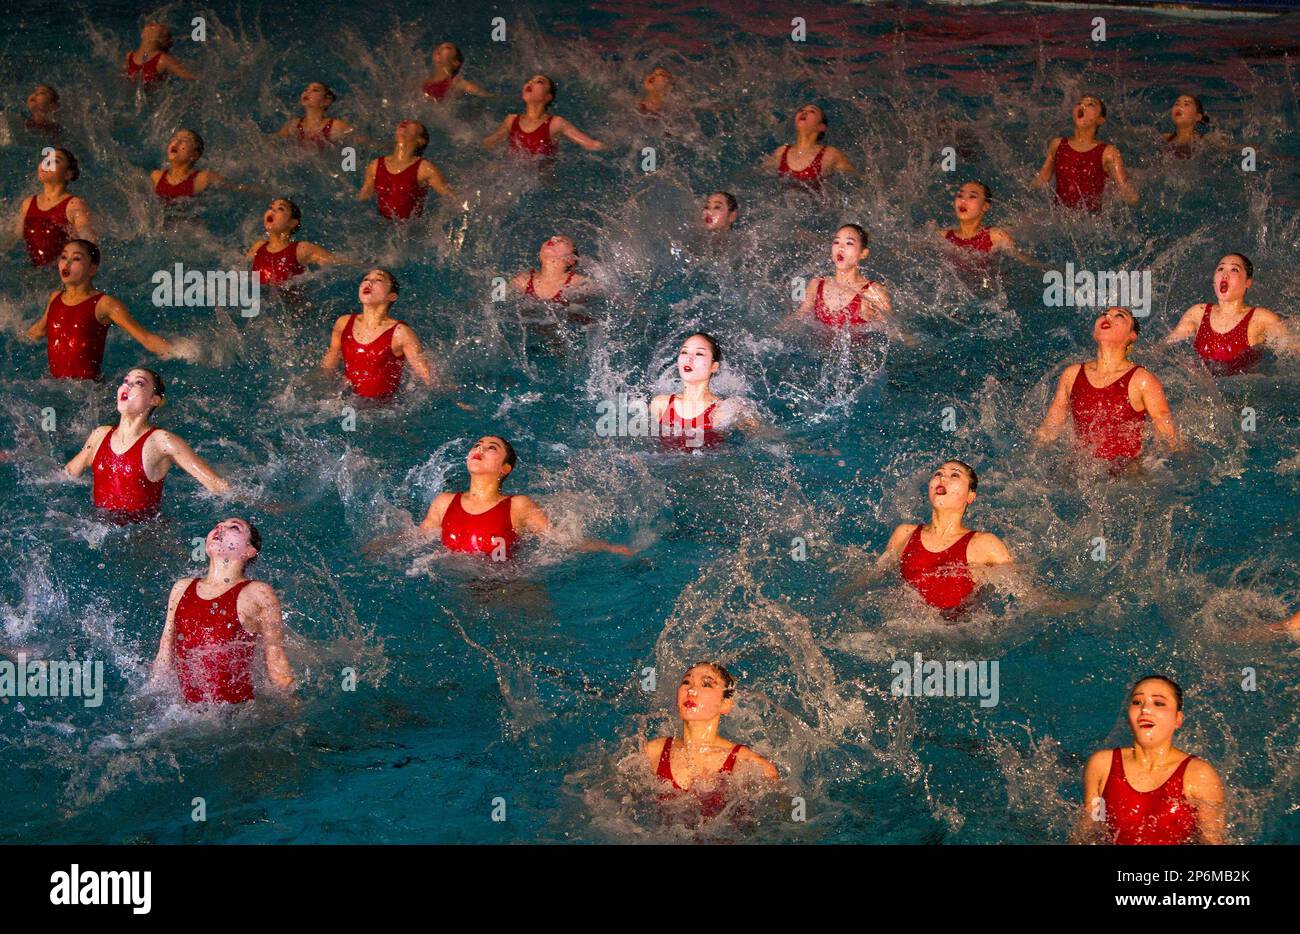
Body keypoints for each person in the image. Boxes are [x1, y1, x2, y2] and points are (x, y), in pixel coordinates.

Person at [378, 436, 632, 560]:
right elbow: (419, 537)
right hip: (456, 588)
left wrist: (609, 548)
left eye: (491, 448)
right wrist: (382, 544)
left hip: (508, 590)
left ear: (504, 469)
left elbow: (560, 540)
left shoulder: (518, 506)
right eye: (477, 445)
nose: (479, 449)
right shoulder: (444, 503)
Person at [149, 517, 293, 705]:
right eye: (217, 526)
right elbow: (164, 652)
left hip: (236, 716)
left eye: (234, 527)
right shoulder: (181, 588)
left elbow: (276, 657)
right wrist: (151, 696)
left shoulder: (258, 593)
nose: (220, 529)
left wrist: (292, 709)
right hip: (185, 714)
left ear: (249, 551)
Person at [63, 368, 229, 521]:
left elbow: (216, 484)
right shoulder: (100, 434)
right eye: (126, 381)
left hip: (143, 537)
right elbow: (67, 475)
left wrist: (251, 502)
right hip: (96, 528)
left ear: (154, 400)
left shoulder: (162, 441)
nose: (127, 386)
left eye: (139, 383)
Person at [1080, 675, 1225, 844]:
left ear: (1178, 719)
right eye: (1137, 702)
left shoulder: (1199, 775)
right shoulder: (1102, 765)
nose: (1145, 709)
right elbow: (1085, 835)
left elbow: (1213, 840)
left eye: (1159, 703)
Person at [26, 240, 193, 380]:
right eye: (63, 257)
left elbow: (144, 337)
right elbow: (38, 331)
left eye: (76, 258)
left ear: (92, 269)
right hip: (55, 386)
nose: (67, 263)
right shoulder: (55, 298)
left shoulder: (104, 304)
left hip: (88, 392)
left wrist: (180, 352)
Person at [1034, 308, 1180, 467]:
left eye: (1119, 316)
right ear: (1094, 333)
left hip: (1127, 476)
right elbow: (1049, 429)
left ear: (1132, 336)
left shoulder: (1142, 380)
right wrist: (1032, 457)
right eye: (1104, 314)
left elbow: (1169, 439)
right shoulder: (1072, 375)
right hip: (1079, 471)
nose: (1108, 317)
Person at [869, 461, 1013, 618]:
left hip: (958, 634)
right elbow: (871, 576)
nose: (942, 478)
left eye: (955, 475)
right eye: (938, 473)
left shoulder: (984, 544)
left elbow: (1024, 594)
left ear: (970, 496)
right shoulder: (904, 534)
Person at [642, 662, 778, 819]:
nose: (691, 690)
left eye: (706, 684)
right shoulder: (652, 753)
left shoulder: (750, 766)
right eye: (686, 682)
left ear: (725, 704)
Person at [320, 269, 441, 398]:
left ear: (391, 296)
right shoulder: (343, 323)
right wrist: (319, 385)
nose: (369, 282)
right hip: (346, 400)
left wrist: (451, 395)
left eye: (378, 280)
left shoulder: (400, 333)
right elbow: (331, 360)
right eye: (366, 279)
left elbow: (426, 375)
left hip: (382, 409)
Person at [1163, 253, 1290, 375]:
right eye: (1220, 268)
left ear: (1248, 282)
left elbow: (1293, 349)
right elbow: (1164, 348)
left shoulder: (1261, 318)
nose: (1224, 274)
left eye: (1234, 270)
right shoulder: (1198, 313)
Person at [650, 333, 758, 450]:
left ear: (714, 366)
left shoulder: (722, 411)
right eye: (684, 352)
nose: (689, 358)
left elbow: (761, 437)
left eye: (699, 353)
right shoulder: (660, 405)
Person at [1031, 95, 1138, 211]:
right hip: (1058, 216)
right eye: (1079, 103)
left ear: (1100, 120)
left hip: (1091, 221)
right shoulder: (1057, 144)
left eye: (1090, 104)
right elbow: (1040, 180)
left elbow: (1126, 191)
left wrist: (1130, 196)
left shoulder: (1108, 152)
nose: (1082, 105)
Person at [778, 224, 892, 331]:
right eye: (836, 242)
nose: (841, 248)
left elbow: (891, 330)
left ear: (863, 253)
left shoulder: (873, 292)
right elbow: (799, 316)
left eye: (849, 243)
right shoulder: (816, 284)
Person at [482, 75, 607, 156]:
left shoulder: (556, 123)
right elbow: (488, 143)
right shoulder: (511, 120)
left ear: (548, 97)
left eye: (539, 82)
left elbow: (590, 144)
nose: (531, 82)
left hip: (542, 183)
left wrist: (616, 148)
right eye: (530, 80)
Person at [356, 121, 454, 221]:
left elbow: (451, 197)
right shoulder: (375, 165)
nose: (405, 121)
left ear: (421, 140)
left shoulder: (425, 169)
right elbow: (363, 197)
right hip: (381, 225)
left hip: (411, 231)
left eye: (413, 123)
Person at [15, 148, 94, 266]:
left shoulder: (74, 205)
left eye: (55, 161)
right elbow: (13, 238)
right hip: (33, 272)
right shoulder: (28, 203)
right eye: (45, 159)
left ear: (68, 174)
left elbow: (89, 246)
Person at [245, 198, 340, 289]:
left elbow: (338, 263)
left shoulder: (302, 249)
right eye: (271, 207)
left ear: (292, 223)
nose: (272, 211)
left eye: (280, 208)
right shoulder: (257, 247)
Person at [933, 181, 1033, 263]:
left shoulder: (996, 237)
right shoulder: (942, 237)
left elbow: (1023, 260)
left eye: (972, 196)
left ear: (985, 206)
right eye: (960, 195)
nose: (963, 200)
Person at [762, 104, 855, 189]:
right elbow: (761, 176)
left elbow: (856, 180)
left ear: (821, 127)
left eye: (812, 111)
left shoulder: (830, 154)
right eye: (801, 110)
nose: (804, 112)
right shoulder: (781, 152)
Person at [275, 82, 359, 151]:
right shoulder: (293, 125)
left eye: (315, 90)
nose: (307, 92)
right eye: (306, 89)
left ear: (327, 101)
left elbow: (365, 144)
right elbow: (272, 143)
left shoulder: (336, 126)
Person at [510, 235, 588, 305]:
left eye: (562, 240)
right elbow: (500, 298)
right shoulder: (523, 281)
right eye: (551, 238)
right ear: (540, 255)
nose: (553, 238)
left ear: (571, 259)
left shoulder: (578, 283)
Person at [149, 130, 223, 201]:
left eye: (185, 140)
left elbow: (233, 192)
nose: (176, 142)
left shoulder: (204, 179)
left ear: (194, 155)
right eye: (175, 138)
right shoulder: (156, 176)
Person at [124, 22, 197, 83]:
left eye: (162, 27)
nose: (154, 23)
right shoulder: (129, 56)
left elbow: (188, 76)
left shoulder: (163, 60)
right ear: (142, 34)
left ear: (162, 40)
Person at [422, 42, 491, 102]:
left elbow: (489, 96)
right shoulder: (424, 81)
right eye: (438, 46)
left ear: (455, 62)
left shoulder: (457, 83)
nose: (439, 48)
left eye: (447, 47)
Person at [1163, 93, 1211, 159]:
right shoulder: (1165, 139)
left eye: (1186, 104)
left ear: (1197, 117)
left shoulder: (1204, 141)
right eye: (1177, 104)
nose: (1179, 107)